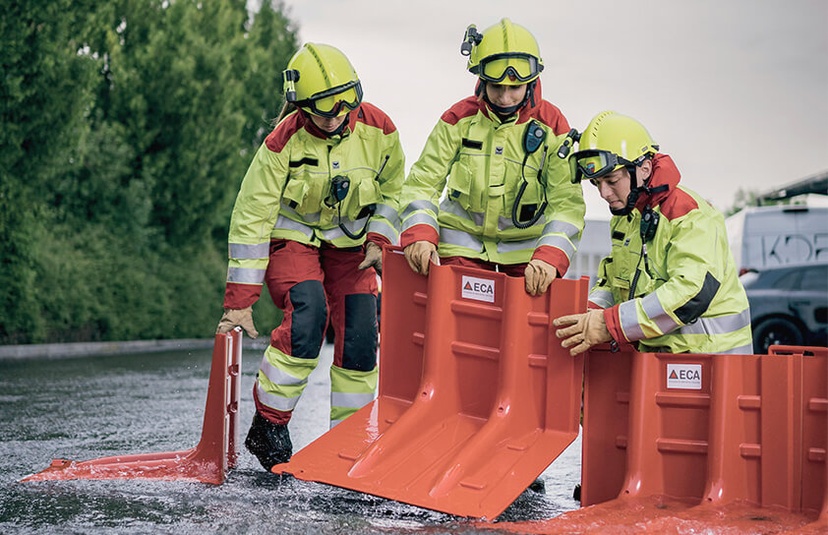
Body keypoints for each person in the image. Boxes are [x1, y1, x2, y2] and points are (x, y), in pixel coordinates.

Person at [216, 43, 405, 471]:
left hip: (353, 248)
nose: (337, 117)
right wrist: (240, 301)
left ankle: (350, 441)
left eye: (345, 105)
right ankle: (269, 424)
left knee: (360, 333)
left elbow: (396, 192)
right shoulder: (280, 144)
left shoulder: (380, 129)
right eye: (324, 111)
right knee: (307, 317)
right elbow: (252, 218)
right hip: (294, 241)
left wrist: (381, 238)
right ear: (301, 108)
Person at [398, 18, 585, 293]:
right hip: (461, 248)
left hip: (529, 257)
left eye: (515, 88)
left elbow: (567, 202)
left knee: (523, 334)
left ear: (532, 83)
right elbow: (423, 182)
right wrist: (421, 234)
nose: (505, 98)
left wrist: (550, 257)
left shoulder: (553, 127)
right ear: (481, 80)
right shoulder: (457, 119)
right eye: (496, 87)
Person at [553, 111, 753, 355]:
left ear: (644, 168)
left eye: (611, 180)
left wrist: (609, 324)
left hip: (715, 365)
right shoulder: (626, 218)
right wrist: (590, 313)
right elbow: (614, 281)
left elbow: (692, 293)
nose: (603, 193)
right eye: (596, 183)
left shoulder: (690, 215)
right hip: (662, 364)